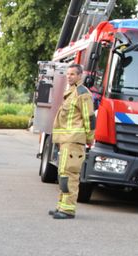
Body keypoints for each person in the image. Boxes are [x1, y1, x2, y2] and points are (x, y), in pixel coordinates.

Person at [50, 63, 94, 220]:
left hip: (74, 140)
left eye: (73, 74)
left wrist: (89, 138)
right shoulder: (70, 92)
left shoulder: (82, 93)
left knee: (70, 175)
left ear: (80, 75)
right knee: (63, 173)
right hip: (66, 140)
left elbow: (89, 118)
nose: (69, 76)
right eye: (68, 74)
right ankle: (61, 205)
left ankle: (68, 210)